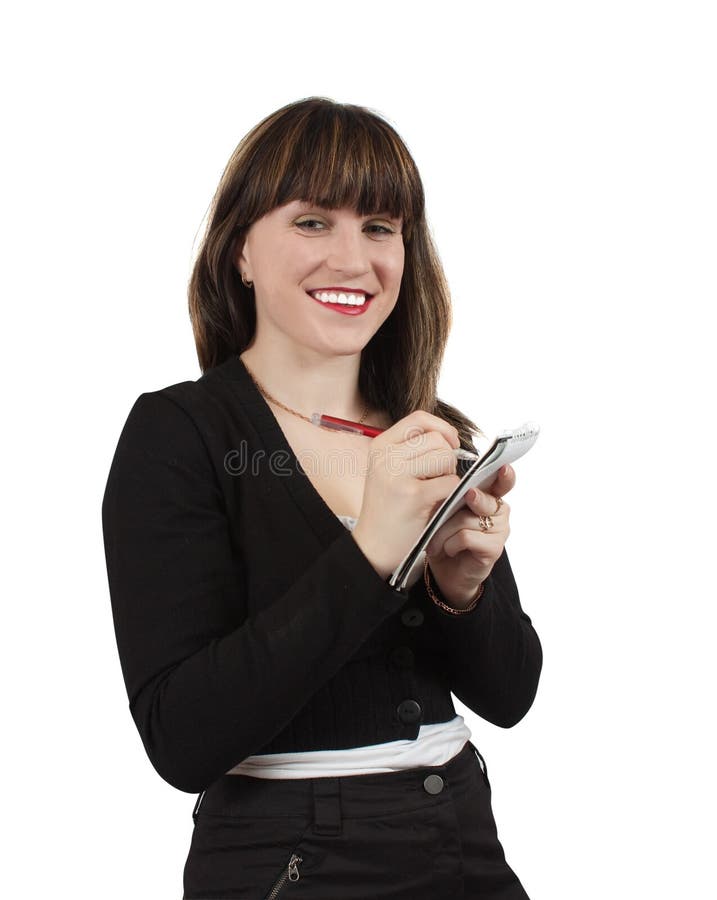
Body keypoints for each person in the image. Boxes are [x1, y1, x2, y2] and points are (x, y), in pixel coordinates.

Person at [101, 97, 542, 900]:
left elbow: (509, 696)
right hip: (287, 860)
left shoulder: (427, 431)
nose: (355, 258)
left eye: (380, 227)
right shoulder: (179, 434)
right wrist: (372, 549)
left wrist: (461, 591)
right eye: (312, 222)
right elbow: (181, 741)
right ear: (240, 250)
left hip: (461, 837)